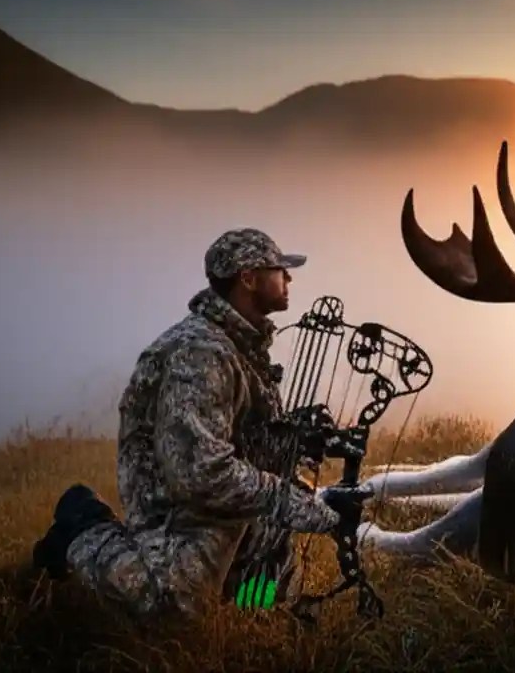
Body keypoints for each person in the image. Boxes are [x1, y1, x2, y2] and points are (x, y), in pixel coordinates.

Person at [31, 227, 368, 620]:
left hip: (237, 507)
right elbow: (200, 474)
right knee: (175, 608)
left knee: (258, 607)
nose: (288, 278)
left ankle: (244, 600)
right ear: (248, 278)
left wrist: (309, 481)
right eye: (279, 270)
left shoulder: (245, 348)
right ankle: (83, 528)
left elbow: (253, 448)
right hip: (179, 512)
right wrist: (305, 508)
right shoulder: (199, 353)